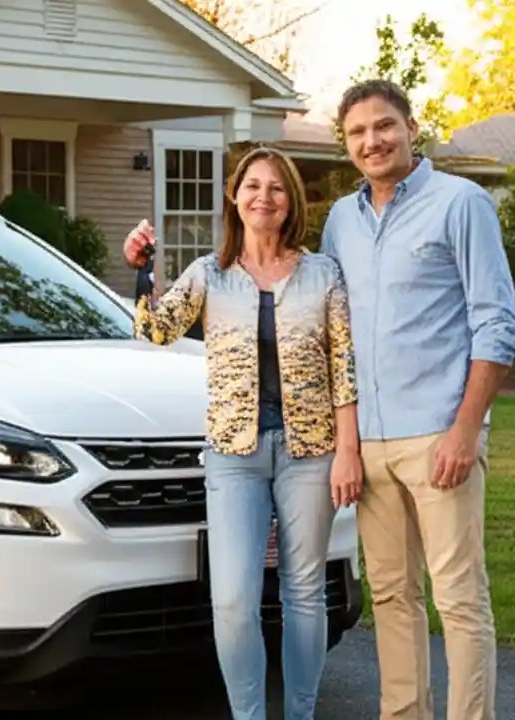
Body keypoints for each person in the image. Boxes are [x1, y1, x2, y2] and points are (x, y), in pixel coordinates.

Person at [122, 146, 362, 720]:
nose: (264, 196)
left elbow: (344, 366)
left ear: (290, 202)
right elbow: (156, 330)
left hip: (311, 452)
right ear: (235, 196)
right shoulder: (210, 274)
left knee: (304, 593)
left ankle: (300, 714)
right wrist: (140, 269)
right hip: (234, 453)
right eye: (253, 186)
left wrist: (347, 452)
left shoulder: (322, 273)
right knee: (232, 600)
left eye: (276, 188)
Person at [319, 79, 515, 720]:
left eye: (384, 126)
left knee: (459, 597)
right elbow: (332, 331)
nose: (372, 140)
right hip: (368, 445)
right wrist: (345, 446)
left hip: (439, 434)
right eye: (357, 132)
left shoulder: (460, 203)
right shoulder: (340, 221)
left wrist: (466, 430)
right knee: (391, 597)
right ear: (346, 143)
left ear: (411, 127)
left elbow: (497, 324)